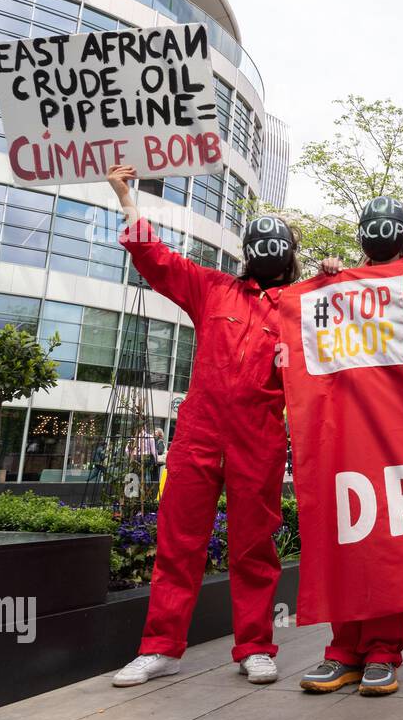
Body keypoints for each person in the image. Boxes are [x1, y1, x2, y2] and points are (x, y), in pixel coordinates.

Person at [107, 165, 297, 688]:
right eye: (259, 242)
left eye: (276, 243)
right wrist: (128, 200)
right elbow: (158, 261)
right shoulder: (213, 289)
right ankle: (160, 648)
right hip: (199, 433)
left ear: (289, 253)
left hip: (257, 440)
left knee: (254, 546)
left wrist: (333, 276)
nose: (267, 250)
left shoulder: (302, 310)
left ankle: (256, 646)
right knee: (178, 540)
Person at [299, 196, 403, 696]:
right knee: (345, 543)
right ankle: (342, 651)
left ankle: (382, 651)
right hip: (343, 436)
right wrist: (328, 276)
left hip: (396, 436)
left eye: (391, 226)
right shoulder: (342, 284)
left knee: (385, 544)